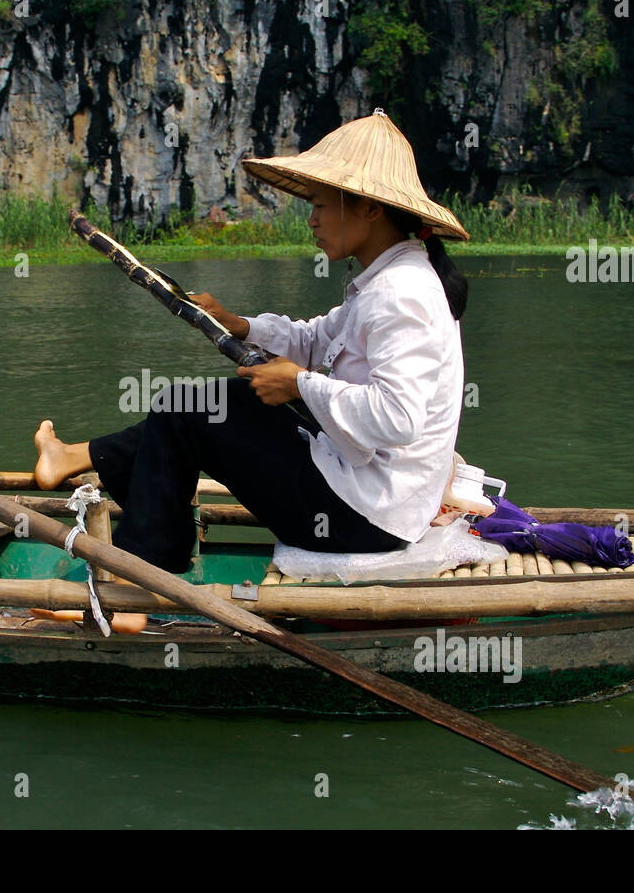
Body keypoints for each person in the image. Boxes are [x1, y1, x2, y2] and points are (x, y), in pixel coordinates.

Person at [33, 108, 469, 587]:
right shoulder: (385, 281)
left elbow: (396, 419)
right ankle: (81, 465)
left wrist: (298, 383)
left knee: (184, 413)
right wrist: (240, 326)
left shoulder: (400, 293)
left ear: (369, 208)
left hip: (362, 518)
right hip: (361, 492)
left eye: (322, 206)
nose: (312, 220)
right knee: (196, 404)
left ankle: (142, 577)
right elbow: (317, 338)